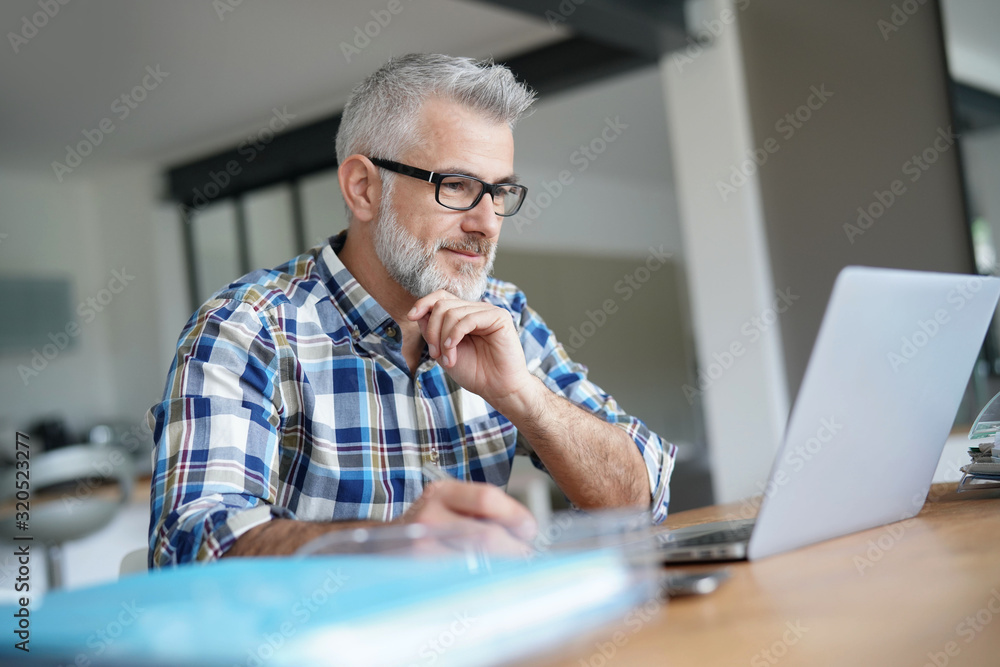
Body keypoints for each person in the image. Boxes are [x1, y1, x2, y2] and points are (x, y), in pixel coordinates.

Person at [147, 53, 676, 567]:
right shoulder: (248, 327)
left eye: (500, 193)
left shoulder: (503, 313)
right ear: (363, 189)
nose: (488, 224)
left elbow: (643, 498)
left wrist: (523, 397)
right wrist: (390, 544)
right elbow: (189, 547)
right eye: (459, 186)